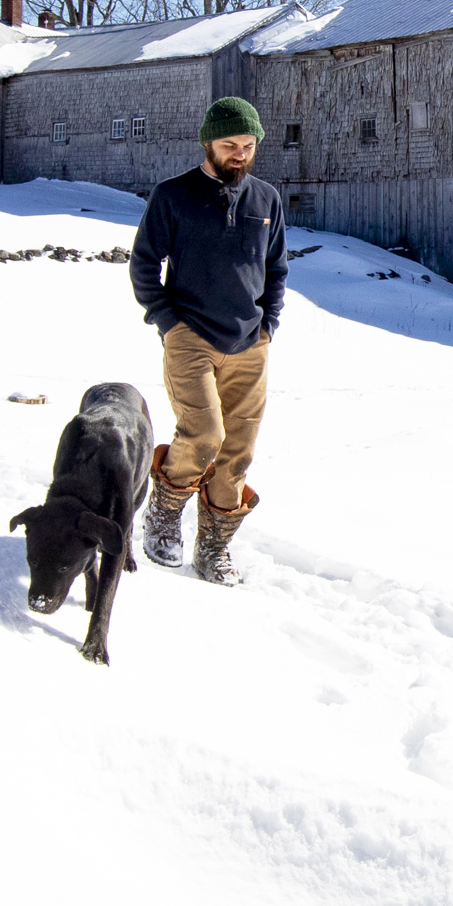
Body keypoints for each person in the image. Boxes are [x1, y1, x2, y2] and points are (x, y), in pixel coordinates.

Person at [129, 96, 287, 585]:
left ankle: (213, 546)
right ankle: (163, 515)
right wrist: (169, 322)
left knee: (237, 451)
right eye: (230, 144)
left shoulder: (266, 199)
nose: (240, 153)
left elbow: (276, 269)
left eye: (248, 145)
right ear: (208, 143)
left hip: (249, 343)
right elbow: (143, 263)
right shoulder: (172, 195)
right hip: (190, 336)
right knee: (203, 435)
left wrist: (267, 326)